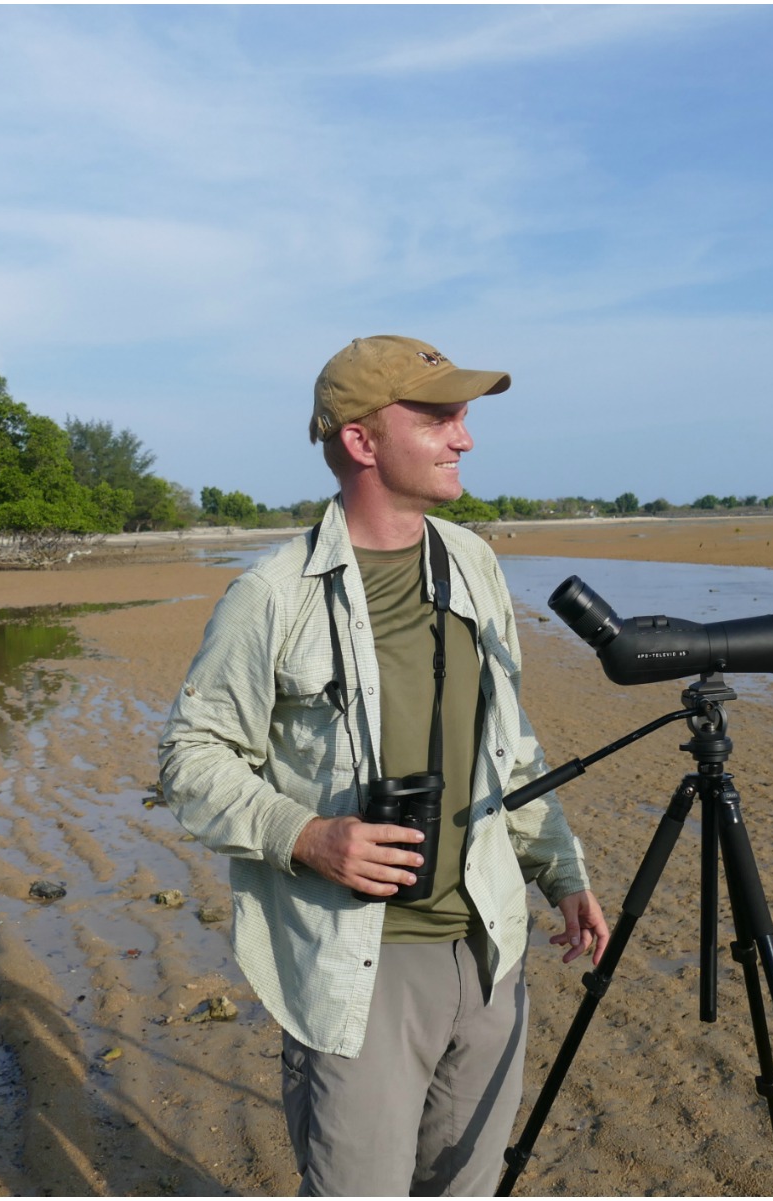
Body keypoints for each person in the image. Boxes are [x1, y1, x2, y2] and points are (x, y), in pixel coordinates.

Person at [158, 335, 612, 1195]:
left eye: (463, 417)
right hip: (359, 966)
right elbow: (189, 757)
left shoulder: (473, 562)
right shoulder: (274, 593)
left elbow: (509, 739)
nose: (464, 437)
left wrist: (561, 869)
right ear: (361, 440)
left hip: (490, 947)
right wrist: (306, 835)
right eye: (438, 418)